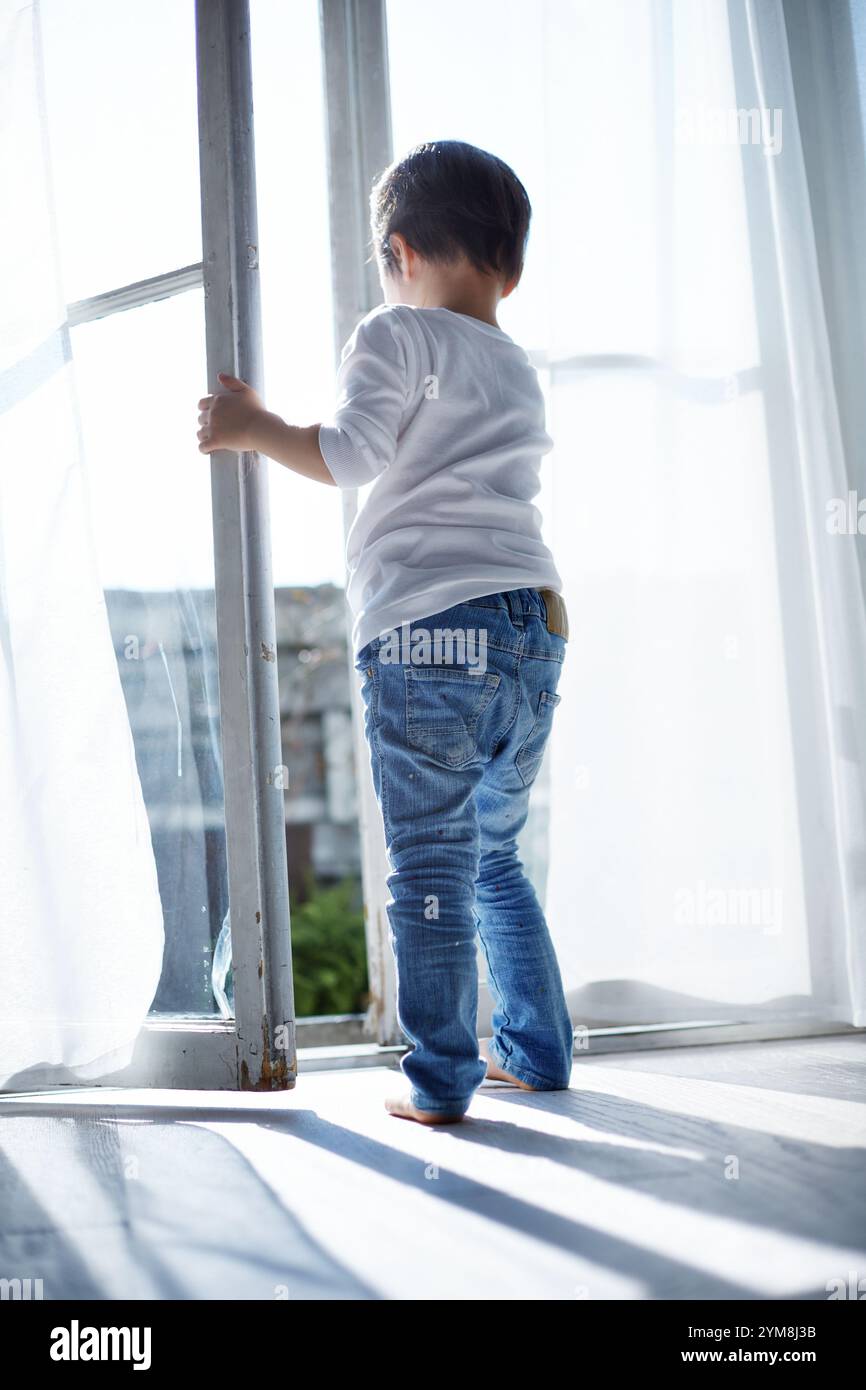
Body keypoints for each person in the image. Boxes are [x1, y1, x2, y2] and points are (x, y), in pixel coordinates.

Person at [196, 139, 574, 1125]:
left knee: (431, 866)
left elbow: (352, 452)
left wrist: (254, 425)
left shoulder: (395, 333)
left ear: (397, 252)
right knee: (495, 857)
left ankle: (440, 1081)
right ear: (512, 267)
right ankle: (535, 1050)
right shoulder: (515, 368)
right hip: (534, 625)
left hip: (427, 628)